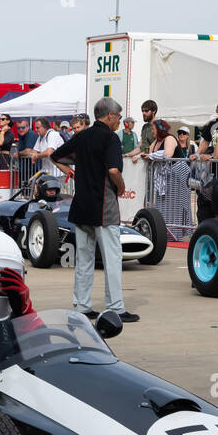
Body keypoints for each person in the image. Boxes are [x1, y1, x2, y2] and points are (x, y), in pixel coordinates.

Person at [50, 97, 139, 323]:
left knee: (84, 259)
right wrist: (121, 187)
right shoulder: (110, 138)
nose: (119, 121)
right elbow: (113, 170)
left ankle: (82, 305)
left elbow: (55, 157)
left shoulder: (82, 136)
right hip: (103, 206)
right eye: (118, 117)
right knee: (112, 257)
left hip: (81, 206)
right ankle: (116, 307)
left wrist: (72, 173)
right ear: (109, 115)